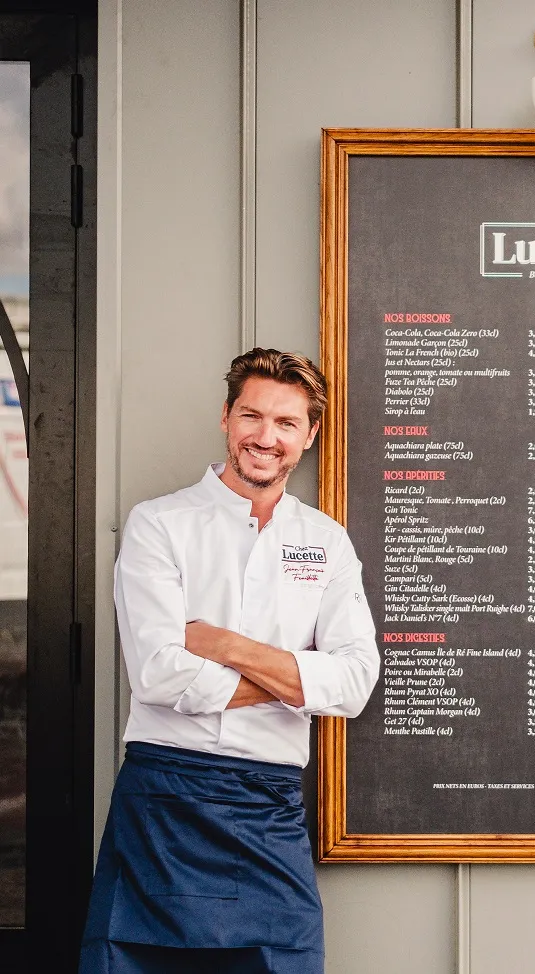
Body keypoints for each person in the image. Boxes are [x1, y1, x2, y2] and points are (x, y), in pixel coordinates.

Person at [79, 348, 380, 974]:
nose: (265, 438)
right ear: (226, 418)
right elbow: (158, 673)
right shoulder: (158, 524)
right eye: (252, 416)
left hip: (269, 805)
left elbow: (352, 683)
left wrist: (221, 643)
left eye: (286, 424)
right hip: (165, 795)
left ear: (309, 437)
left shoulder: (326, 542)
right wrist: (297, 676)